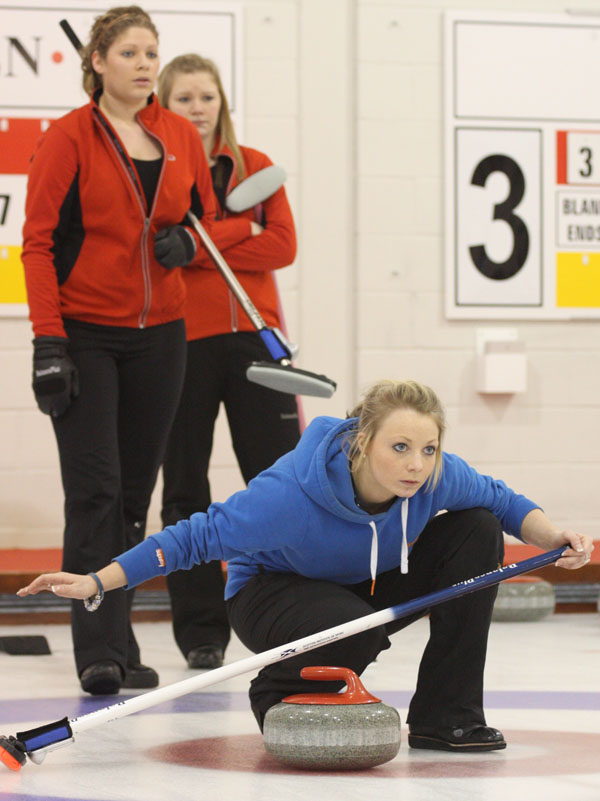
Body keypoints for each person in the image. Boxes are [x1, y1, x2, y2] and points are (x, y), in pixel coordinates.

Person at [17, 379, 594, 751]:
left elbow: (504, 501)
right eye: (399, 447)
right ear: (362, 442)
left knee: (475, 527)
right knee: (352, 632)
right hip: (273, 594)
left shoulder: (436, 474)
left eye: (428, 449)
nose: (416, 465)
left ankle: (448, 715)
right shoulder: (289, 494)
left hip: (365, 586)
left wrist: (554, 534)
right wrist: (98, 581)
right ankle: (276, 688)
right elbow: (192, 539)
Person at [20, 6, 239, 696]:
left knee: (134, 499)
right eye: (130, 53)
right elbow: (36, 243)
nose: (145, 65)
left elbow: (205, 215)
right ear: (98, 63)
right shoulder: (68, 138)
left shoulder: (176, 134)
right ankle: (98, 650)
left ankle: (120, 634)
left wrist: (191, 243)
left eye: (153, 53)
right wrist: (48, 342)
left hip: (161, 338)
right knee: (96, 493)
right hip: (85, 334)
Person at [155, 54, 301, 671]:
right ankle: (200, 630)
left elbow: (284, 245)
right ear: (164, 105)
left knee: (277, 483)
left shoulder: (256, 167)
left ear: (222, 102)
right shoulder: (163, 175)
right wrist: (240, 233)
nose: (197, 107)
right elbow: (163, 254)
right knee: (186, 486)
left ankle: (289, 609)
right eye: (184, 97)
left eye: (206, 96)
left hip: (252, 341)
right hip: (181, 342)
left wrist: (215, 235)